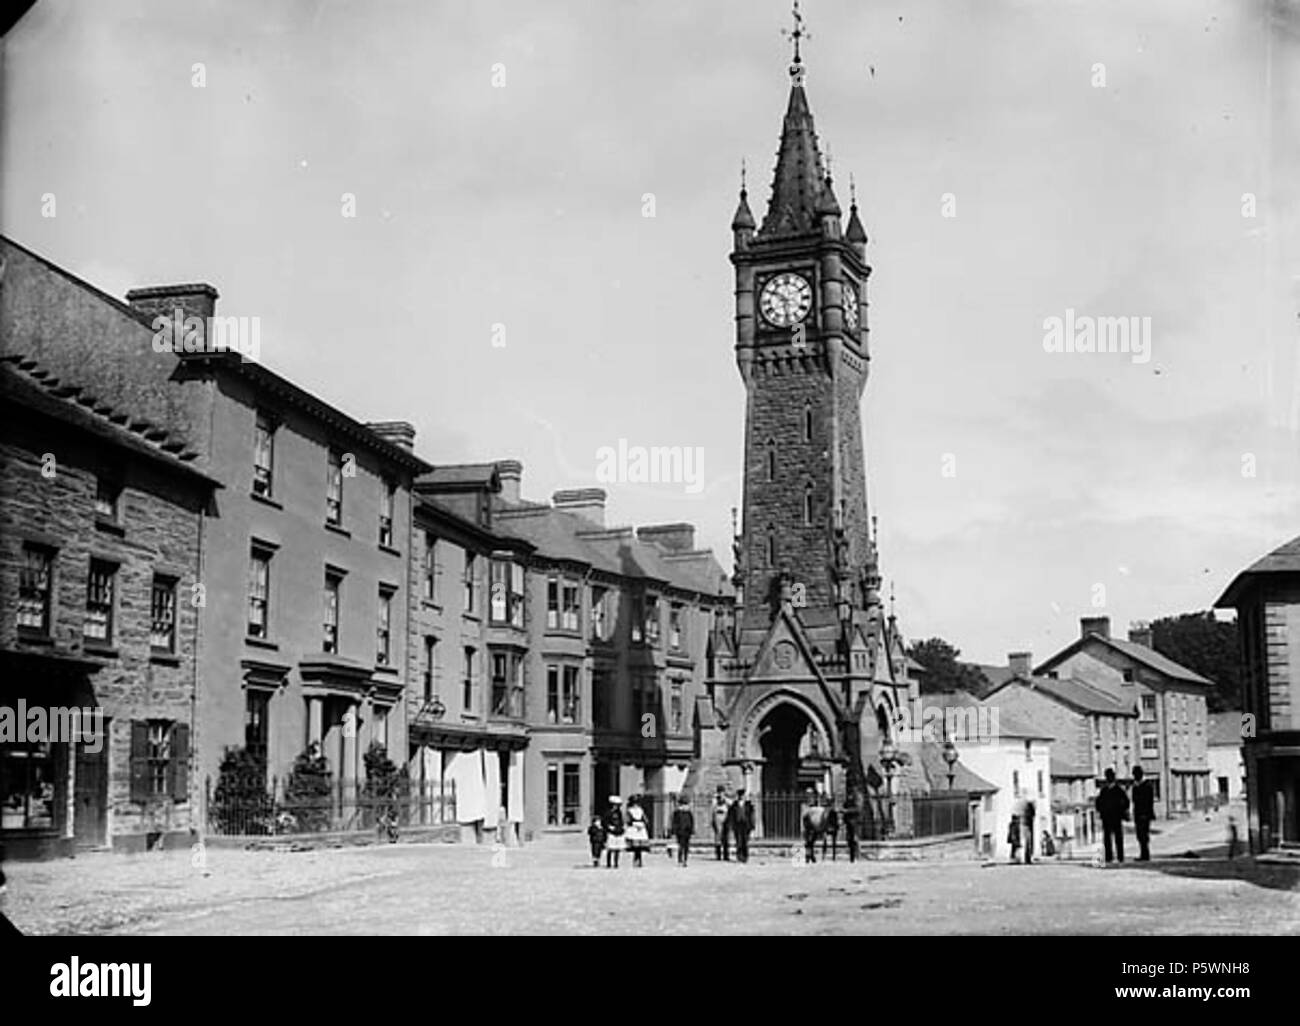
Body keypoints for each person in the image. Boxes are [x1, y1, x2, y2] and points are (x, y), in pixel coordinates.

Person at [1095, 768, 1130, 863]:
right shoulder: (1104, 790)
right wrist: (1101, 811)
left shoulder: (1118, 790)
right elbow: (1098, 802)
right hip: (1107, 817)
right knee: (1107, 838)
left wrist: (1122, 811)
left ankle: (1120, 856)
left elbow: (1126, 802)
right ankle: (1109, 856)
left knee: (1118, 837)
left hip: (1116, 816)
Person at [1131, 765, 1155, 861]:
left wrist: (1148, 813)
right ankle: (1143, 853)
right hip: (1138, 813)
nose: (1134, 777)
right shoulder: (1135, 786)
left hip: (1145, 814)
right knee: (1139, 835)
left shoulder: (1147, 785)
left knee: (1144, 834)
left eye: (1135, 775)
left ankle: (1145, 854)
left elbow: (1149, 801)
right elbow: (1134, 800)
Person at [728, 789, 754, 863]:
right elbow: (731, 815)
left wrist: (752, 825)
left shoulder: (748, 805)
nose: (741, 797)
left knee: (745, 842)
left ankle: (745, 857)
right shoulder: (734, 805)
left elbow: (751, 815)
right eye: (740, 795)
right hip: (737, 825)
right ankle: (739, 856)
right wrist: (732, 825)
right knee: (738, 842)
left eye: (743, 795)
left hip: (746, 825)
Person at [625, 795, 650, 868]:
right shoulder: (629, 810)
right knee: (635, 846)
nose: (636, 805)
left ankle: (639, 860)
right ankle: (635, 860)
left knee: (640, 846)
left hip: (640, 826)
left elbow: (645, 819)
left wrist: (644, 824)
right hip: (634, 827)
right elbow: (628, 820)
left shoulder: (641, 810)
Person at [670, 794, 695, 866]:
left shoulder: (688, 812)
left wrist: (692, 829)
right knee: (681, 846)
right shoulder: (677, 812)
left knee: (686, 846)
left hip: (687, 831)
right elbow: (674, 822)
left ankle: (685, 859)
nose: (685, 806)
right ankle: (680, 859)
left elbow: (691, 821)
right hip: (680, 831)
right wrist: (674, 830)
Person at [604, 796, 626, 868]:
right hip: (611, 831)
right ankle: (609, 863)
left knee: (617, 848)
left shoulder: (619, 813)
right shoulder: (608, 813)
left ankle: (616, 863)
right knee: (610, 848)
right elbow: (605, 822)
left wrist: (621, 827)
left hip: (618, 831)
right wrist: (609, 827)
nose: (616, 807)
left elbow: (621, 821)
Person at [712, 787, 731, 861]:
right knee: (718, 837)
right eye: (719, 792)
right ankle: (718, 855)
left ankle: (726, 855)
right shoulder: (715, 800)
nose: (720, 794)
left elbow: (731, 803)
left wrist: (724, 799)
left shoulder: (726, 800)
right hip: (717, 816)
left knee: (726, 837)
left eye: (722, 792)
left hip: (725, 816)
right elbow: (713, 808)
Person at [842, 791, 861, 863]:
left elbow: (857, 809)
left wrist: (847, 811)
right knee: (849, 840)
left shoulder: (856, 800)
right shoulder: (847, 802)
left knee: (855, 839)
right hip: (848, 822)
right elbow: (844, 809)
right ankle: (852, 857)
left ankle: (857, 856)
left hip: (855, 822)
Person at [1019, 795, 1036, 865]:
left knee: (1027, 843)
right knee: (1027, 843)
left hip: (1026, 825)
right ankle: (1026, 859)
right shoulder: (1028, 810)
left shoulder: (1025, 809)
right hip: (1026, 825)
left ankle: (1026, 858)